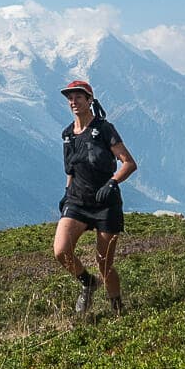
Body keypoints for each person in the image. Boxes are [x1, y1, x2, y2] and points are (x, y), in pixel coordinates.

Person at [53, 80, 137, 317]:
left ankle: (117, 309)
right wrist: (66, 193)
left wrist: (112, 183)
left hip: (105, 203)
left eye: (78, 97)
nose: (73, 102)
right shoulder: (67, 134)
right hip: (77, 201)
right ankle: (88, 283)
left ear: (89, 100)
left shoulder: (104, 129)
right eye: (70, 98)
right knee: (61, 251)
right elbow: (71, 170)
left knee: (104, 262)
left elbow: (129, 163)